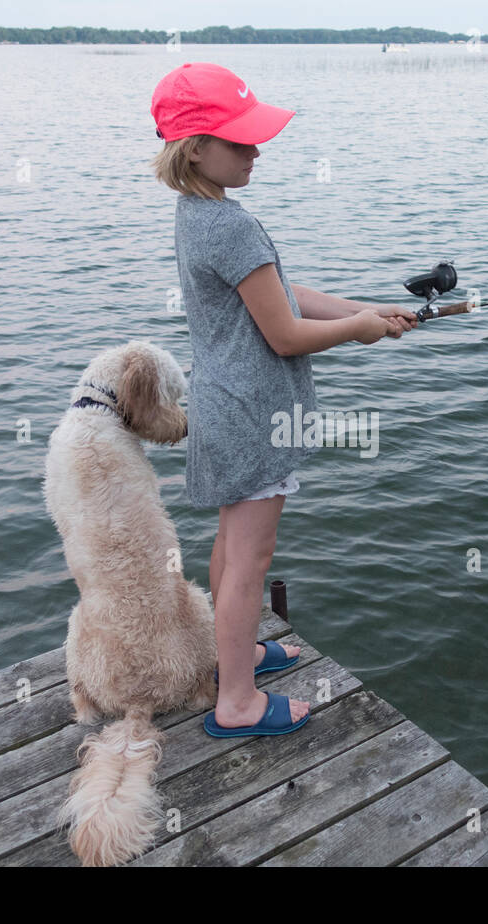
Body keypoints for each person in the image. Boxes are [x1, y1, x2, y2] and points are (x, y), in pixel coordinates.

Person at [149, 62, 418, 737]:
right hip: (253, 416)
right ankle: (235, 702)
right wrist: (358, 331)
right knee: (250, 562)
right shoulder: (231, 226)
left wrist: (365, 307)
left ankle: (226, 659)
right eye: (240, 141)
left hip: (225, 404)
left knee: (230, 548)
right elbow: (286, 333)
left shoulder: (198, 214)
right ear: (196, 148)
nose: (256, 151)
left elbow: (282, 297)